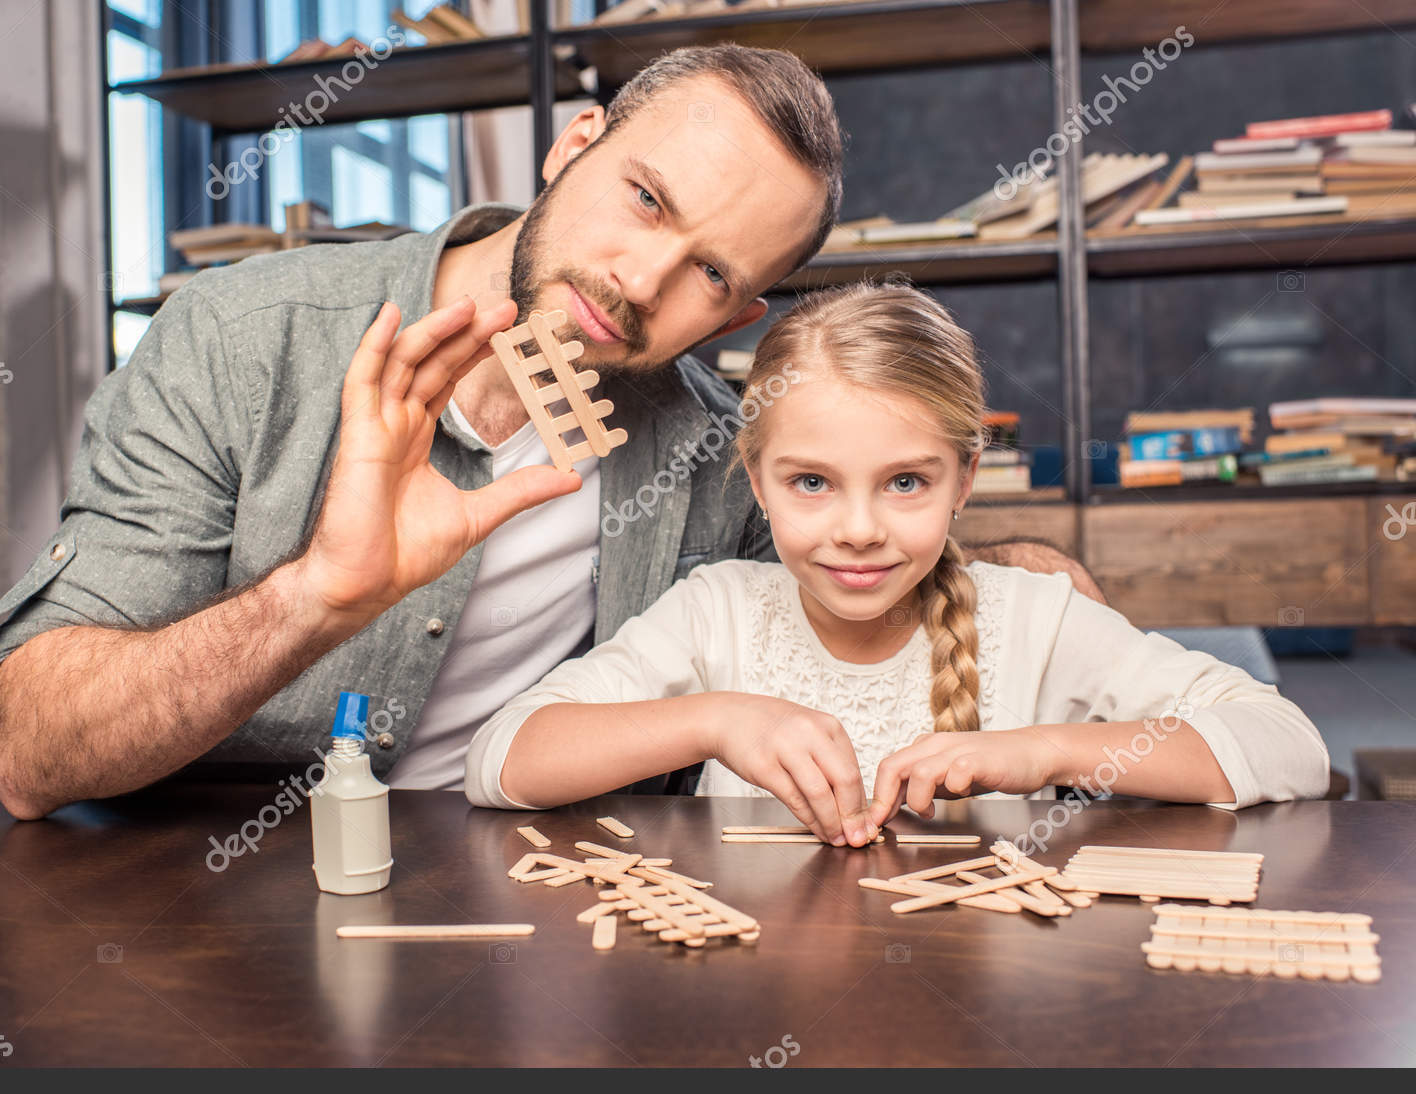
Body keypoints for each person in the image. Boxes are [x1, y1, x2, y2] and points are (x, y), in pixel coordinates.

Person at [0, 45, 1092, 820]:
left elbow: (842, 570)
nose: (641, 280)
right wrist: (318, 594)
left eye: (710, 271)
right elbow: (30, 759)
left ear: (737, 317)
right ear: (573, 145)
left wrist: (1006, 573)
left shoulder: (717, 457)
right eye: (647, 198)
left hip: (541, 915)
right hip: (204, 909)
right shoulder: (239, 338)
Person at [464, 282, 1330, 845]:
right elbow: (501, 759)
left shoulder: (1033, 618)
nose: (858, 529)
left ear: (964, 481)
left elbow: (1290, 747)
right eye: (811, 482)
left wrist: (1047, 751)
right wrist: (715, 720)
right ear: (756, 483)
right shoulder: (717, 610)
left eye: (905, 481)